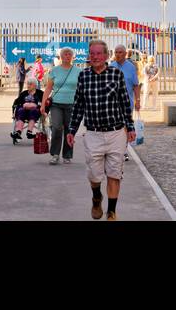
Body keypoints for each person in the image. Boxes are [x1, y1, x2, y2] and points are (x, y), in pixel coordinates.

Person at [65, 40, 135, 220]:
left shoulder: (116, 74)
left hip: (116, 132)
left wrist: (130, 127)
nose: (95, 57)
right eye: (92, 53)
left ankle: (111, 212)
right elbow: (79, 105)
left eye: (98, 53)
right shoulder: (84, 76)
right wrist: (72, 130)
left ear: (105, 56)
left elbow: (124, 103)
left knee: (114, 172)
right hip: (93, 134)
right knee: (94, 175)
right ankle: (97, 197)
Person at [42, 47, 80, 165]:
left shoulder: (78, 71)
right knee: (57, 127)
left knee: (69, 130)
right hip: (56, 104)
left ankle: (67, 155)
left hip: (72, 104)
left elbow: (82, 89)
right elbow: (48, 88)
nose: (67, 56)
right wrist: (43, 104)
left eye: (69, 54)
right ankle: (55, 154)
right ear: (61, 56)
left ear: (72, 57)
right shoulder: (54, 70)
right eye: (65, 54)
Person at [110, 45, 141, 119]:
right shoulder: (110, 67)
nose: (117, 54)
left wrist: (138, 101)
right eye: (116, 52)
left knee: (127, 128)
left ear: (125, 54)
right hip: (113, 105)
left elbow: (136, 86)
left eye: (120, 52)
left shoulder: (131, 67)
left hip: (127, 104)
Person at [10, 77, 44, 143]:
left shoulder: (40, 93)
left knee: (33, 111)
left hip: (34, 112)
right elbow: (16, 103)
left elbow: (45, 102)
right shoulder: (24, 93)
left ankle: (29, 132)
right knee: (21, 111)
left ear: (35, 85)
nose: (28, 85)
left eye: (30, 84)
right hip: (24, 111)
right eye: (27, 84)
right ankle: (18, 132)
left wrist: (44, 111)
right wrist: (14, 111)